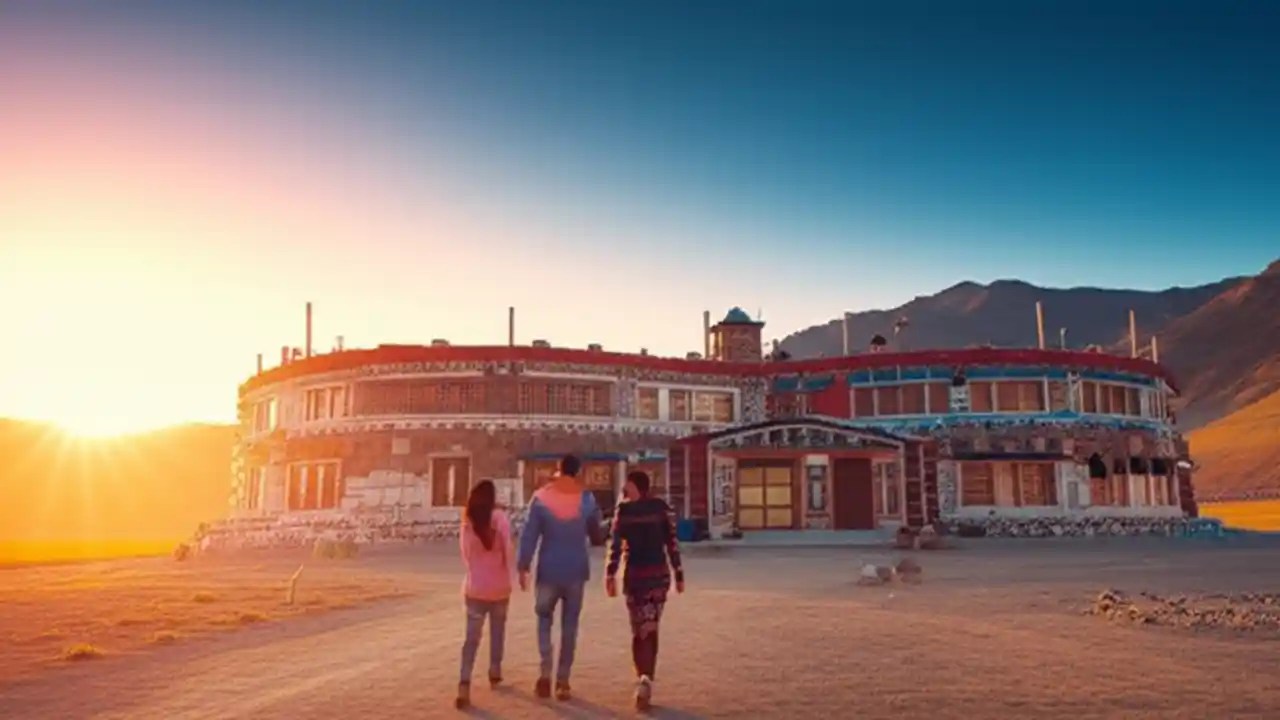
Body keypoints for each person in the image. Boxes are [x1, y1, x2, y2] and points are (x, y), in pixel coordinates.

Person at [517, 454, 606, 701]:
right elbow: (597, 535)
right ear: (578, 473)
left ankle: (545, 672)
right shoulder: (586, 499)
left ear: (558, 470)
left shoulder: (541, 498)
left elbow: (529, 535)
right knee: (570, 626)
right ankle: (563, 682)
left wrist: (523, 565)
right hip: (576, 571)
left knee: (544, 620)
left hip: (548, 569)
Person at [605, 470, 684, 710]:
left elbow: (616, 544)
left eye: (627, 485)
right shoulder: (661, 508)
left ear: (637, 486)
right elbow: (672, 541)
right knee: (647, 628)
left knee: (642, 629)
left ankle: (644, 678)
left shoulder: (625, 511)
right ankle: (646, 678)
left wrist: (611, 572)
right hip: (653, 577)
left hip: (643, 578)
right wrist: (678, 572)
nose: (625, 490)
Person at [455, 480, 513, 710]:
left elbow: (466, 553)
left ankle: (464, 682)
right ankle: (495, 670)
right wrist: (512, 577)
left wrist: (476, 569)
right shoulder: (499, 519)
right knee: (497, 631)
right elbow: (508, 550)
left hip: (475, 587)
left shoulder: (467, 520)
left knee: (471, 639)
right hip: (499, 587)